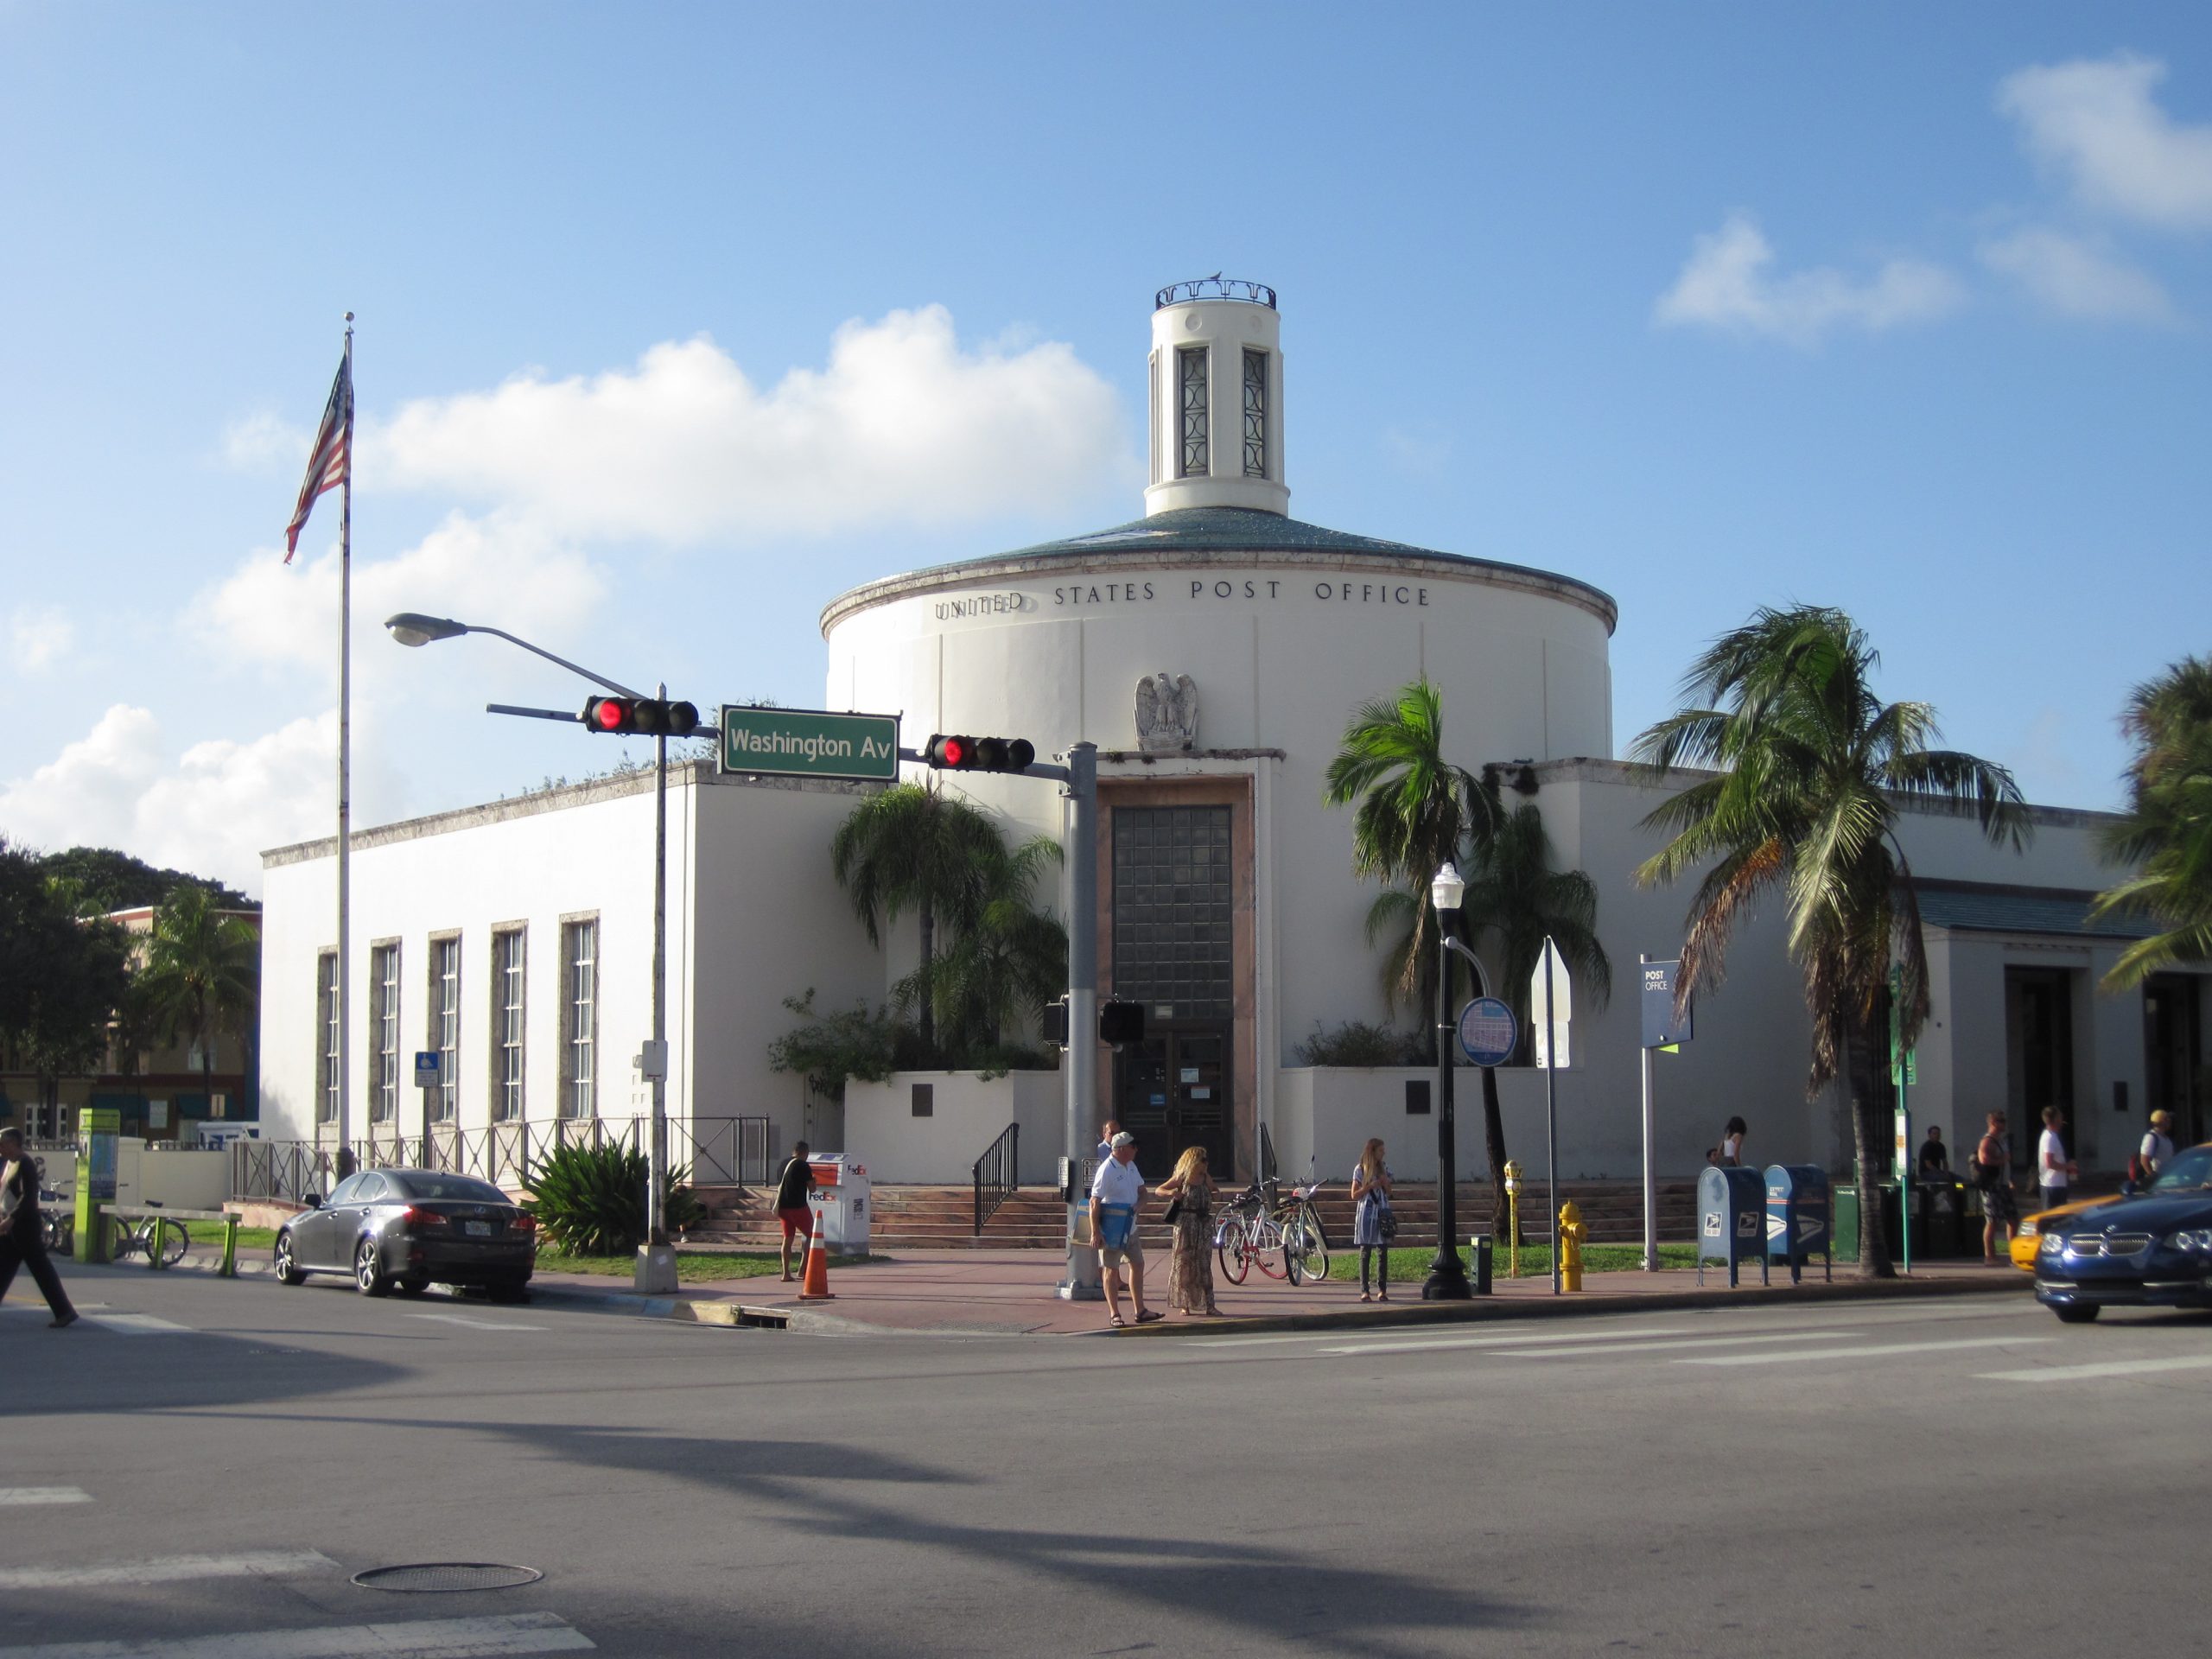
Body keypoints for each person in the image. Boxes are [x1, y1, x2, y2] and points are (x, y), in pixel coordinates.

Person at [0, 1127, 79, 1328]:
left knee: (41, 1269)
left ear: (14, 1143)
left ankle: (65, 1311)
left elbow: (29, 1196)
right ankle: (65, 1311)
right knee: (3, 1269)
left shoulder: (25, 1163)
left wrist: (12, 1219)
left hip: (25, 1227)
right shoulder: (9, 1163)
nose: (0, 1147)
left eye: (3, 1143)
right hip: (11, 1229)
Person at [1090, 1131, 1160, 1327]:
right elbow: (1095, 1201)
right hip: (1112, 1226)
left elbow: (1143, 1192)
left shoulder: (1131, 1166)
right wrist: (1096, 1231)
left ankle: (1140, 1310)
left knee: (1137, 1264)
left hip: (1131, 1226)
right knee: (1111, 1269)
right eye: (1132, 1146)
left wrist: (1140, 1204)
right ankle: (1114, 1313)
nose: (1135, 1149)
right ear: (1120, 1149)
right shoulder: (1107, 1170)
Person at [1155, 1145, 1220, 1317]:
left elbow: (1216, 1192)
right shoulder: (1182, 1177)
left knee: (1204, 1265)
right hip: (1185, 1224)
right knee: (1184, 1265)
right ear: (1193, 1161)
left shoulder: (1205, 1177)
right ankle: (1185, 1304)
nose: (1206, 1164)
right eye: (1202, 1160)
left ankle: (1209, 1304)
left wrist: (1215, 1194)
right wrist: (1172, 1193)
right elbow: (1158, 1190)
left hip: (1203, 1224)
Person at [1351, 1138, 1394, 1302]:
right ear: (1373, 1151)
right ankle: (1365, 1290)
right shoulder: (1360, 1169)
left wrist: (1385, 1184)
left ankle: (1382, 1290)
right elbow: (1354, 1195)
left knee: (1383, 1250)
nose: (1383, 1154)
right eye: (1380, 1151)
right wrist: (1370, 1186)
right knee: (1366, 1250)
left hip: (1382, 1210)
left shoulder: (1386, 1168)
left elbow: (1390, 1193)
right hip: (1367, 1211)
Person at [1974, 1111, 2017, 1262]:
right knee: (1993, 1221)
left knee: (2012, 1218)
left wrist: (2010, 1180)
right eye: (2001, 1121)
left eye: (2005, 1120)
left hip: (2003, 1185)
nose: (2004, 1124)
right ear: (1993, 1122)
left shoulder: (2002, 1141)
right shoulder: (1987, 1141)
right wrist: (2002, 1160)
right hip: (1992, 1186)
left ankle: (2014, 1254)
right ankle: (1990, 1256)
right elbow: (1984, 1160)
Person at [772, 1141, 816, 1281]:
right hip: (798, 1207)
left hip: (783, 1207)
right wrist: (814, 1180)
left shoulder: (783, 1163)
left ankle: (785, 1273)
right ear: (805, 1152)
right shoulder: (803, 1165)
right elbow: (812, 1189)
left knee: (788, 1238)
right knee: (811, 1235)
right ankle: (802, 1270)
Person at [2037, 1107, 2077, 1212]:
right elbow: (2049, 1163)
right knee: (2052, 1219)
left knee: (2060, 1219)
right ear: (2055, 1119)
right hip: (2052, 1185)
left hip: (2057, 1184)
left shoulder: (2051, 1136)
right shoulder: (2050, 1137)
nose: (2062, 1119)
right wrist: (2068, 1166)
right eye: (2060, 1116)